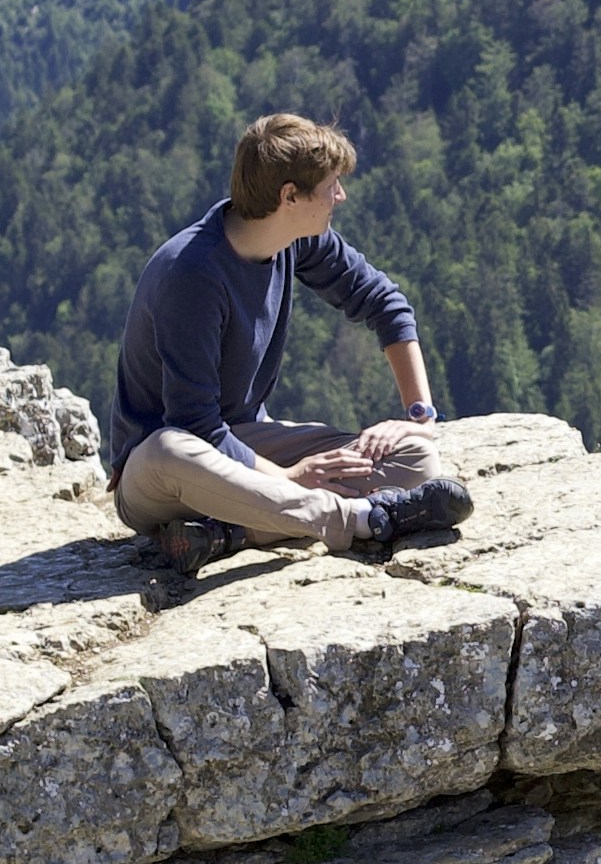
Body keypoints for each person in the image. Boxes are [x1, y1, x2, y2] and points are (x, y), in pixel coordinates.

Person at [109, 112, 476, 570]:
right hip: (166, 472)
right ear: (290, 196)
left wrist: (419, 416)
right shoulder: (192, 275)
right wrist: (288, 476)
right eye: (331, 187)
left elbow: (386, 304)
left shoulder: (296, 239)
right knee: (170, 447)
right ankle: (360, 519)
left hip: (244, 443)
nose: (340, 196)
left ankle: (231, 533)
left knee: (416, 457)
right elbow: (194, 425)